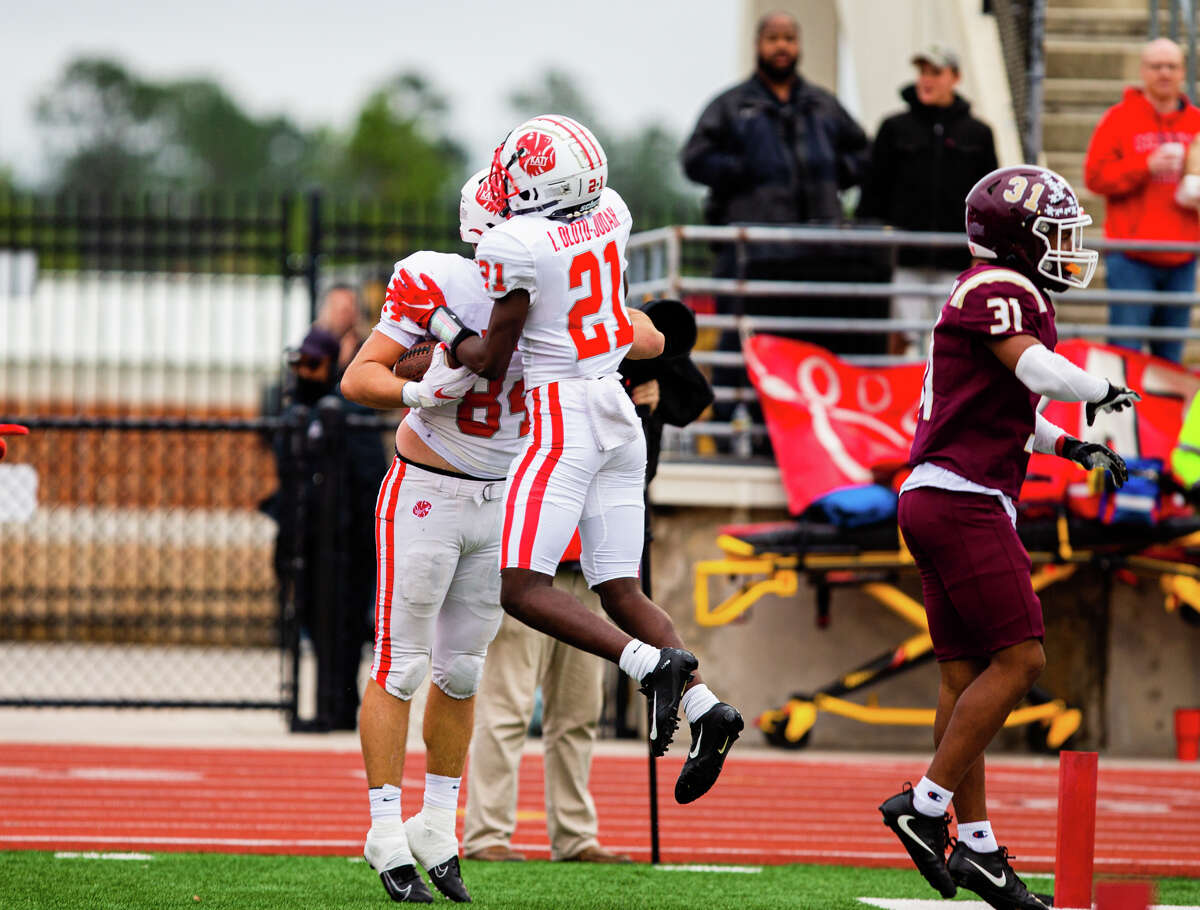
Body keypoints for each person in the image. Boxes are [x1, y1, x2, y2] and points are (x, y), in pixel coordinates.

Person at [387, 114, 744, 808]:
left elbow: (489, 357)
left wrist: (441, 327)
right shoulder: (610, 211)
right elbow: (623, 318)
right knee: (623, 590)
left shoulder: (516, 244)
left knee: (521, 589)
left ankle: (652, 665)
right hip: (615, 409)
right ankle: (708, 708)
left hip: (563, 418)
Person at [879, 165, 1139, 909]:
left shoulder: (991, 296)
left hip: (934, 495)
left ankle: (981, 848)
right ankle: (926, 809)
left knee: (965, 680)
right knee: (1022, 658)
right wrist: (1099, 389)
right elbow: (1032, 369)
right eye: (1054, 234)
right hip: (963, 500)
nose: (1065, 248)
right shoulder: (1000, 290)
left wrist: (1072, 448)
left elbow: (1005, 408)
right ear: (1018, 239)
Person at [338, 169, 515, 904]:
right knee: (402, 663)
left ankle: (438, 823)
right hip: (427, 491)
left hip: (501, 497)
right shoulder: (436, 281)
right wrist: (419, 388)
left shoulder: (566, 291)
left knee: (464, 669)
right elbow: (358, 376)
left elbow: (641, 332)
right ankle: (384, 828)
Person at [681, 11, 874, 440]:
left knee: (806, 345)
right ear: (758, 45)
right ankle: (725, 430)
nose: (781, 46)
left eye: (789, 38)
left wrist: (834, 171)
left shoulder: (822, 105)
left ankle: (799, 437)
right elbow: (694, 158)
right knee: (740, 341)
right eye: (773, 38)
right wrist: (741, 170)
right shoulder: (732, 106)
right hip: (751, 252)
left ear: (799, 45)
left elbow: (865, 154)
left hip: (817, 253)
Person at [858, 44, 999, 358]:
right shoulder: (893, 128)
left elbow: (990, 201)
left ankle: (944, 407)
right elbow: (873, 193)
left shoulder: (978, 134)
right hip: (904, 259)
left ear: (955, 78)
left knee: (954, 344)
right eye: (922, 71)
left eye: (935, 72)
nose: (926, 79)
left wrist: (983, 254)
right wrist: (877, 247)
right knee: (899, 340)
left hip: (956, 263)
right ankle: (897, 407)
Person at [1084, 37, 1200, 364]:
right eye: (1156, 66)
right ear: (1142, 71)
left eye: (1172, 66)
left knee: (1170, 360)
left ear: (1183, 72)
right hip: (1132, 257)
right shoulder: (1118, 119)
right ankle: (1122, 417)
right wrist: (1144, 166)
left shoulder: (1196, 123)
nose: (1164, 73)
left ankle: (1164, 418)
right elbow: (1095, 178)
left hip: (1183, 257)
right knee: (1125, 355)